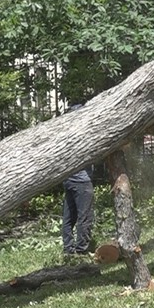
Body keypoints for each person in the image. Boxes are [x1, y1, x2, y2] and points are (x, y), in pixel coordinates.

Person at [60, 103, 94, 255]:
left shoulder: (66, 135)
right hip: (82, 181)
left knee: (68, 217)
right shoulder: (85, 135)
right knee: (84, 217)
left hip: (68, 180)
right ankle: (81, 250)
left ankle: (68, 249)